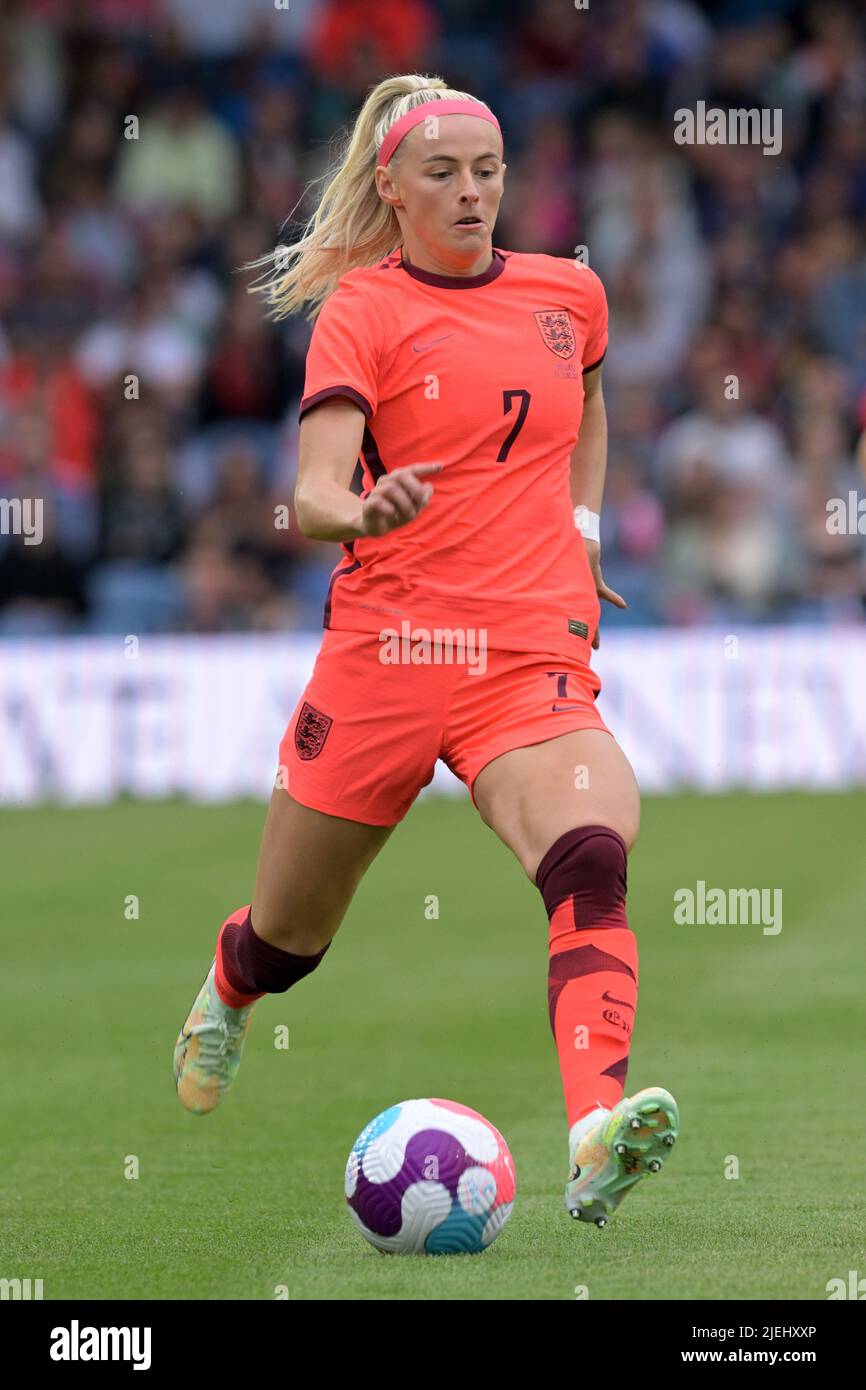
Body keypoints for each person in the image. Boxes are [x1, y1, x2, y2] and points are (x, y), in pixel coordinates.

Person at [173, 73, 679, 1229]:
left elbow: (586, 404)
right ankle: (230, 980)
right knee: (290, 941)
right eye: (441, 173)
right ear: (389, 187)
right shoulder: (363, 310)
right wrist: (363, 510)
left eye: (487, 171)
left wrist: (583, 529)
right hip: (386, 654)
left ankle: (593, 1129)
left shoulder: (569, 293)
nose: (469, 192)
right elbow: (308, 495)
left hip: (525, 655)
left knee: (589, 853)